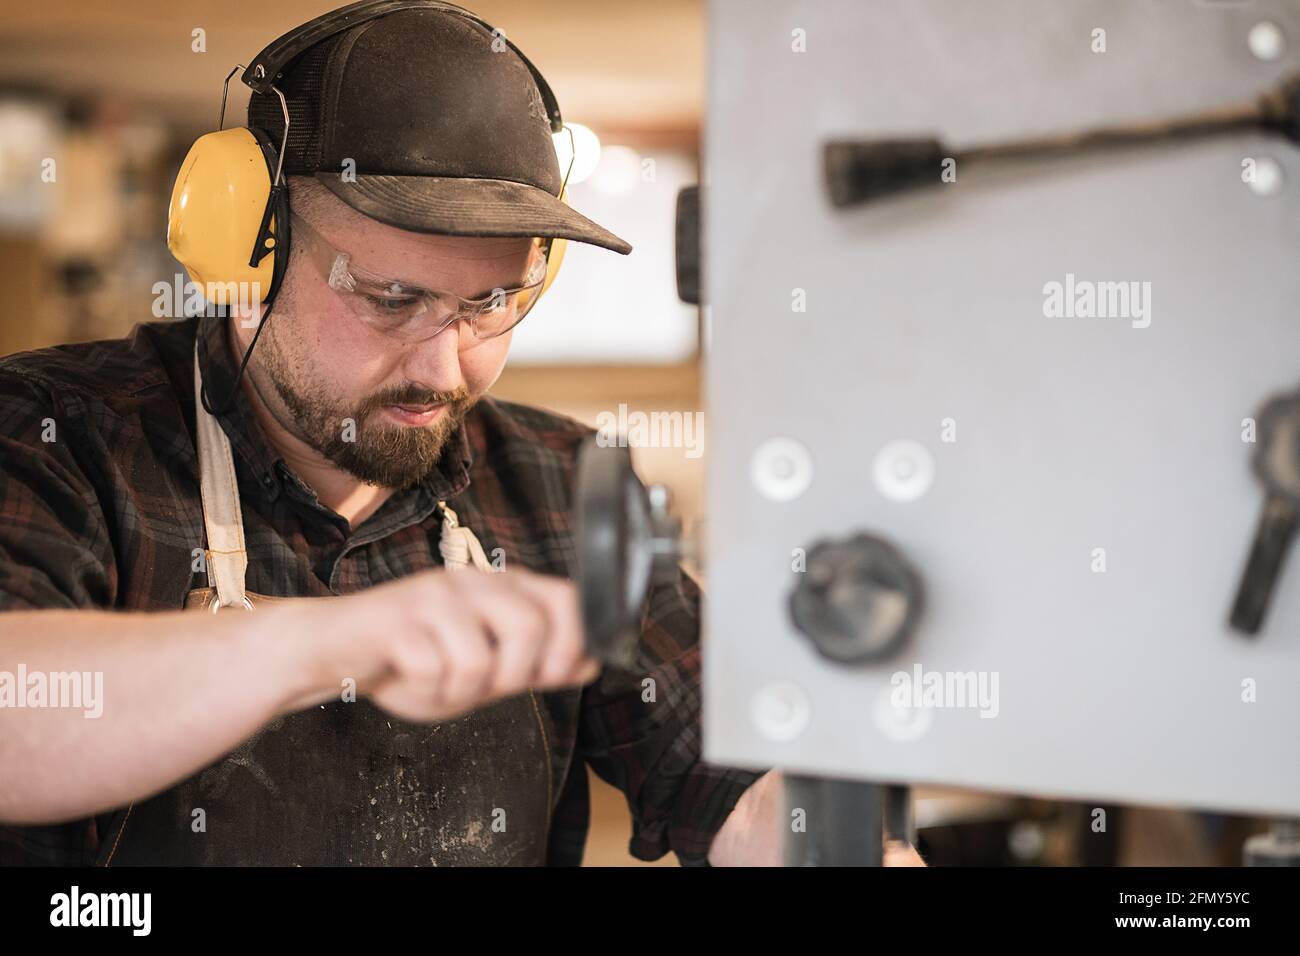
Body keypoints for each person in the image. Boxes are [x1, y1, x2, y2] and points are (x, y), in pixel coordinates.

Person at [0, 1, 917, 867]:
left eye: (490, 305)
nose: (444, 373)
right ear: (248, 248)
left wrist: (824, 834)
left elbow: (731, 772)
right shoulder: (60, 440)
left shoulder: (559, 486)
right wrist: (336, 644)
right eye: (393, 300)